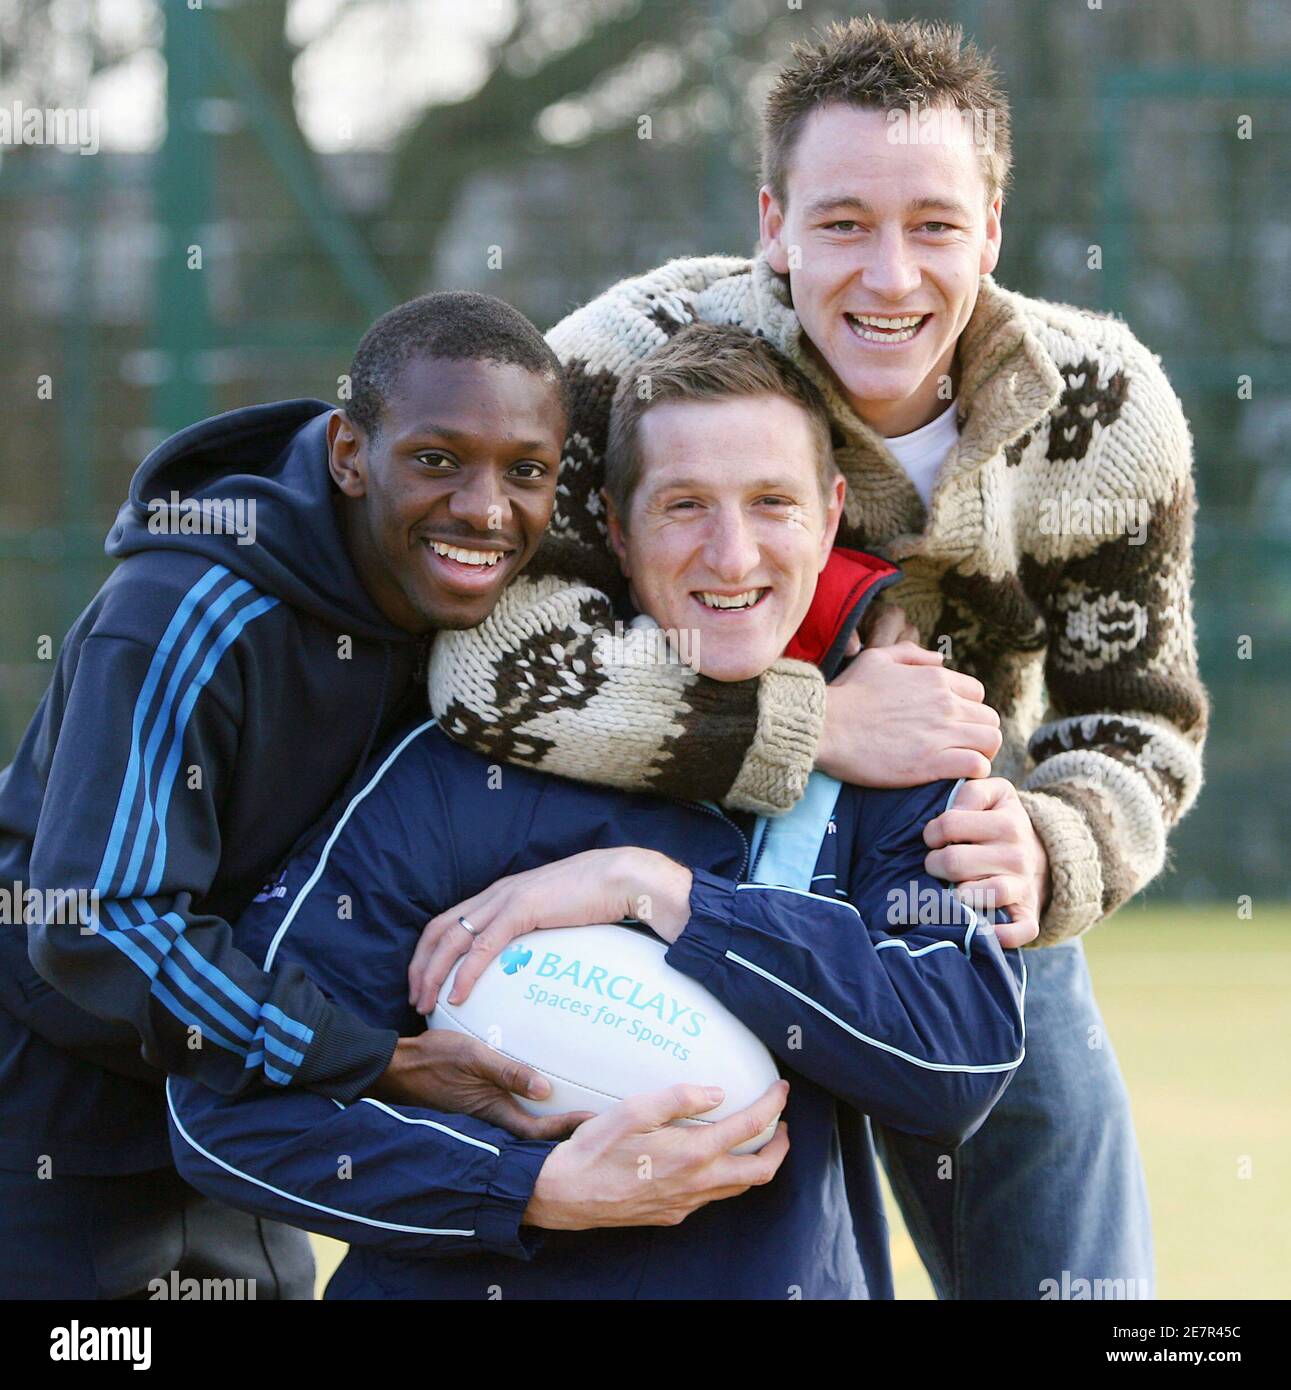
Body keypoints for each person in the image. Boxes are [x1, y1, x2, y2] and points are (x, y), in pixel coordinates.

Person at [421, 18, 1207, 1298]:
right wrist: (808, 731)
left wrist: (1052, 845)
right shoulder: (630, 357)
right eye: (843, 223)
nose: (889, 277)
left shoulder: (1105, 411)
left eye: (933, 225)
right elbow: (494, 657)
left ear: (992, 228)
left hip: (940, 863)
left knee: (1078, 1270)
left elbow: (1139, 724)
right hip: (680, 842)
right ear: (774, 221)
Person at [167, 325, 1028, 1300]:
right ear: (617, 529)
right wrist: (529, 1188)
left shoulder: (892, 750)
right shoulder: (466, 767)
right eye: (685, 506)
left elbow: (956, 1063)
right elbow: (227, 1114)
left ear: (831, 517)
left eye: (772, 503)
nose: (731, 551)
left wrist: (666, 897)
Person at [0, 292, 596, 1298]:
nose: (486, 509)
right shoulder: (182, 613)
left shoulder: (487, 616)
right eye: (438, 459)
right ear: (350, 454)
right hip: (48, 1132)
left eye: (525, 472)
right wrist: (371, 1059)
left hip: (243, 1130)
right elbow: (100, 921)